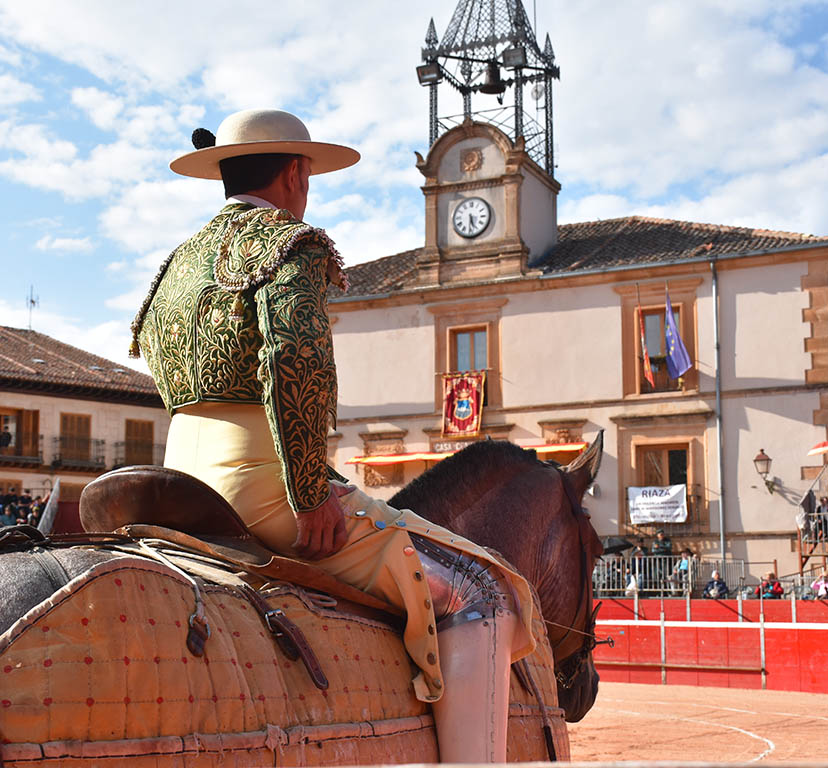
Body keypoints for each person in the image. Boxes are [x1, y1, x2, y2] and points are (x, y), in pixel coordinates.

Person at [131, 109, 534, 763]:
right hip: (260, 488)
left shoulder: (175, 264)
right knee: (478, 595)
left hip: (179, 480)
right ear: (295, 173)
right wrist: (308, 490)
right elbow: (296, 361)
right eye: (309, 175)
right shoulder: (291, 244)